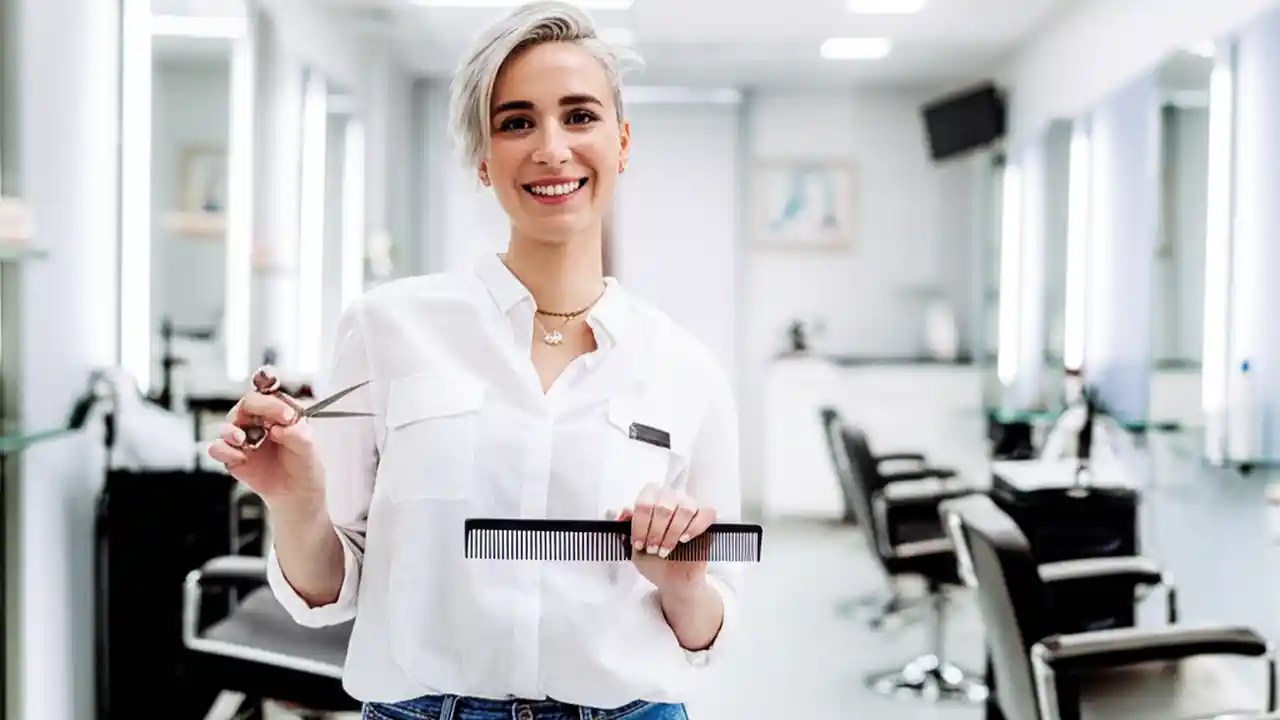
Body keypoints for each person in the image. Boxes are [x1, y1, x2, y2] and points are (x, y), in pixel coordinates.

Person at [207, 3, 743, 719]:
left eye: (579, 116)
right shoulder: (388, 330)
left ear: (621, 142)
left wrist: (682, 583)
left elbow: (710, 630)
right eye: (517, 122)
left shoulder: (685, 367)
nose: (552, 147)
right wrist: (295, 506)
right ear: (483, 160)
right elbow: (327, 595)